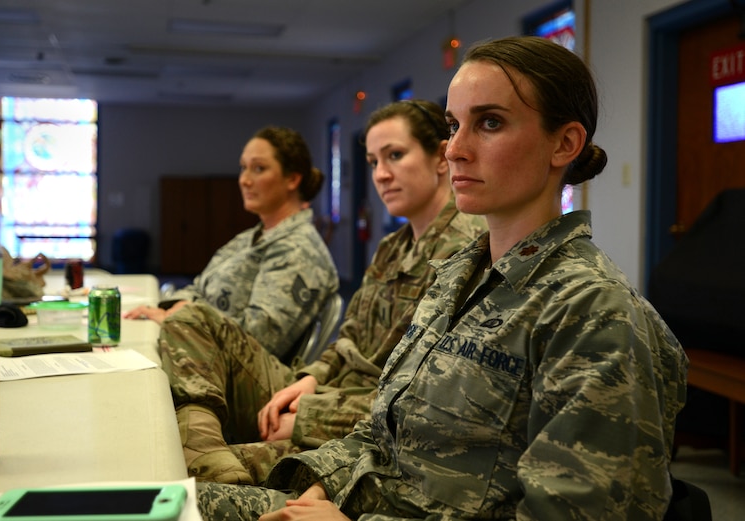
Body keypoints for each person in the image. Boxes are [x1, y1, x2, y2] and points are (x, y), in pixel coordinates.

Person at [196, 36, 688, 520]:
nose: (455, 149)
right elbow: (384, 431)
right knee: (160, 492)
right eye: (454, 125)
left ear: (565, 143)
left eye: (490, 123)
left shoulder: (593, 314)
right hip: (356, 491)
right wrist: (324, 482)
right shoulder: (460, 277)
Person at [163, 99, 486, 486]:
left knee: (190, 474)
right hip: (333, 395)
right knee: (188, 321)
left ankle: (211, 472)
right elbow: (348, 337)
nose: (381, 174)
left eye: (395, 156)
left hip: (366, 423)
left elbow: (422, 396)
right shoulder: (391, 247)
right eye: (373, 162)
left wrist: (312, 415)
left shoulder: (468, 249)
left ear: (439, 157)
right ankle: (206, 459)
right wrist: (311, 380)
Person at [125, 126, 338, 363]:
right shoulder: (251, 238)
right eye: (243, 168)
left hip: (229, 375)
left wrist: (187, 316)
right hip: (198, 349)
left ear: (292, 179)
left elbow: (258, 340)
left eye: (259, 168)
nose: (245, 180)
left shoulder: (299, 250)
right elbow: (199, 287)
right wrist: (171, 308)